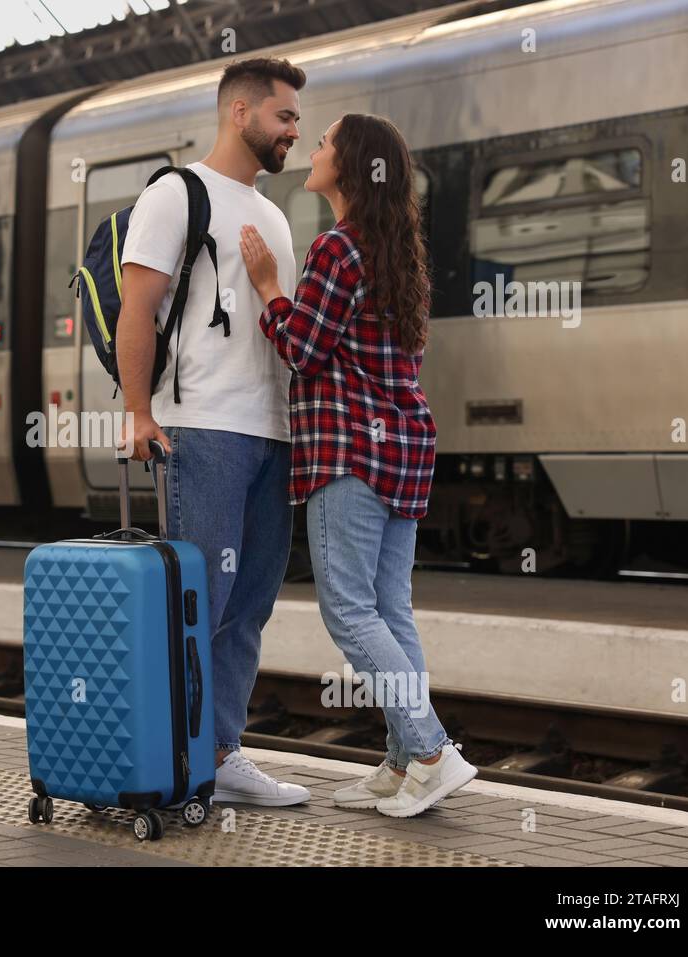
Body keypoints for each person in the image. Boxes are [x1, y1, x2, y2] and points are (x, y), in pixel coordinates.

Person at [238, 113, 478, 817]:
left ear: (347, 166)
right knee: (390, 608)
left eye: (323, 143)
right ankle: (404, 762)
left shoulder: (337, 248)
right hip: (403, 446)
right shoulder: (398, 251)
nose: (311, 150)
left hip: (349, 449)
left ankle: (432, 752)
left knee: (349, 610)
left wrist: (266, 287)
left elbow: (304, 348)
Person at [117, 57, 311, 806]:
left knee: (253, 597)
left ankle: (221, 752)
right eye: (284, 116)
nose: (295, 130)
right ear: (241, 113)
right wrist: (140, 412)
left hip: (274, 431)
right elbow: (139, 308)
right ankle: (174, 759)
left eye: (296, 119)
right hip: (203, 426)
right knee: (202, 597)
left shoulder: (274, 212)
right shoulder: (176, 194)